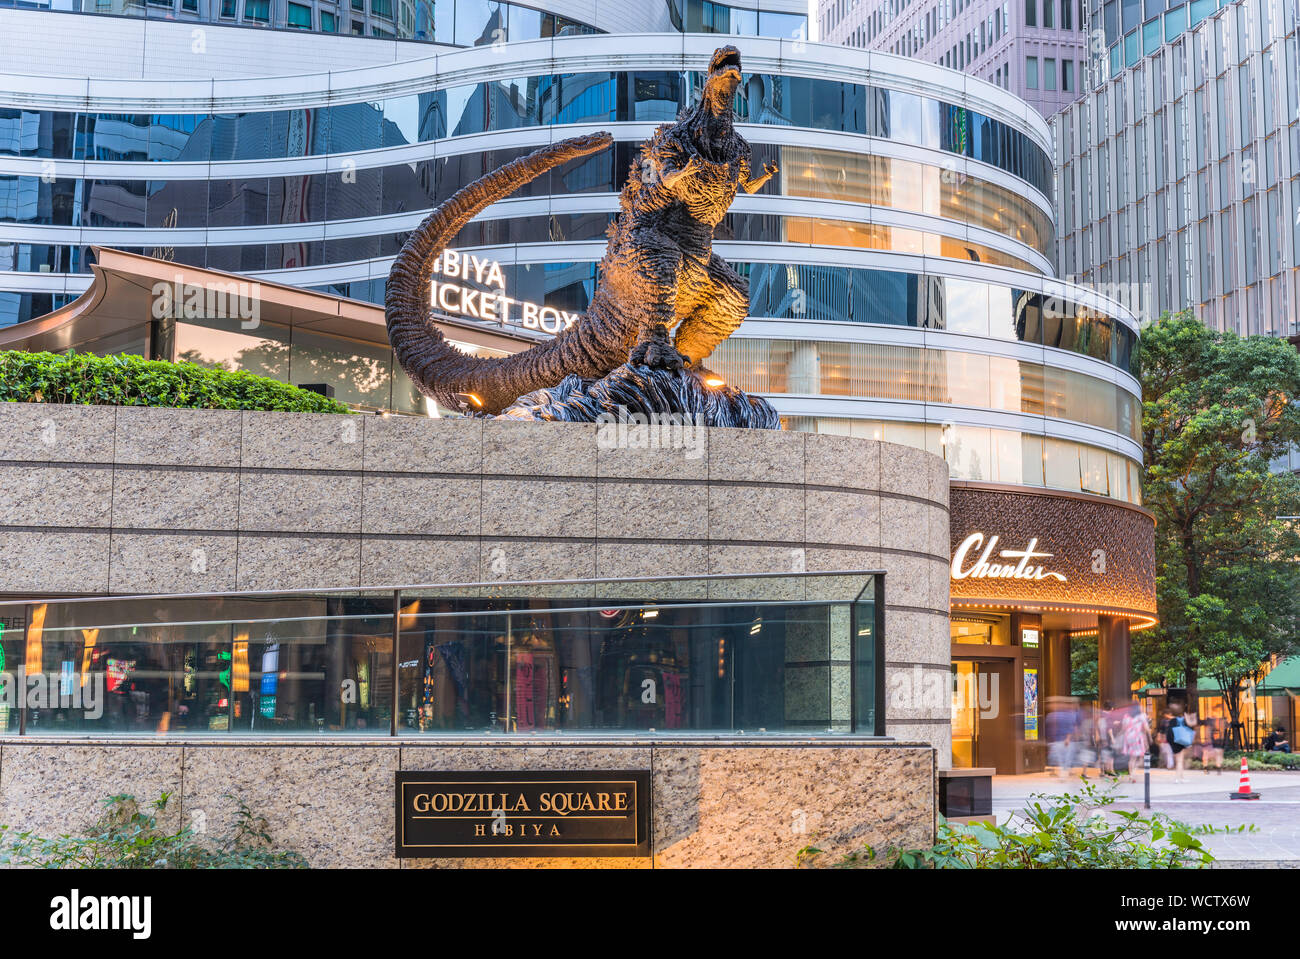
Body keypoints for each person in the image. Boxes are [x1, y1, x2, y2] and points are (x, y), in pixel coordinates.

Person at [1120, 703, 1150, 784]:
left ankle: (1131, 775)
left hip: (1128, 737)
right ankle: (1133, 773)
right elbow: (1146, 728)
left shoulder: (1126, 716)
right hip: (1137, 737)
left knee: (1132, 758)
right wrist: (1149, 736)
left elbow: (1123, 728)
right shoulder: (1142, 716)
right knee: (1141, 758)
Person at [1167, 710, 1197, 783]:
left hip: (1175, 742)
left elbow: (1168, 733)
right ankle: (1177, 778)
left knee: (1179, 761)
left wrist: (1172, 743)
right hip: (1182, 742)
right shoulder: (1184, 721)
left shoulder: (1172, 721)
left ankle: (1181, 777)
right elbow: (1191, 728)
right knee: (1180, 761)